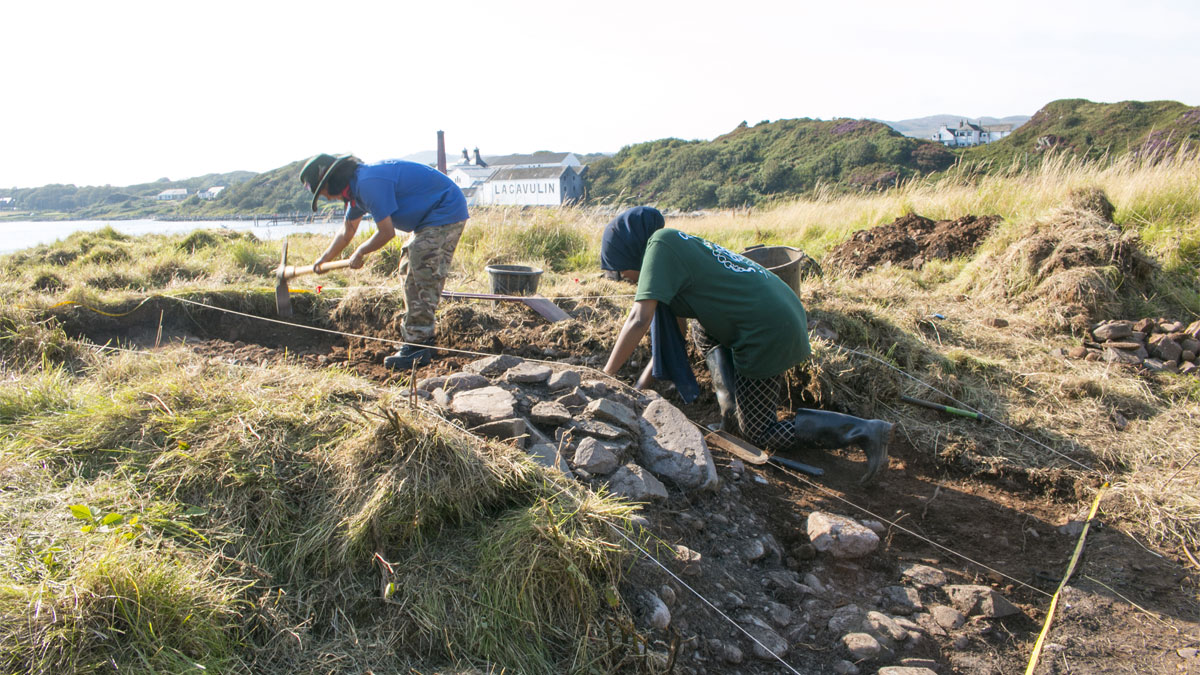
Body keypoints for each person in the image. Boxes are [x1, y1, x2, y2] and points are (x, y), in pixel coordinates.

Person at [599, 206, 892, 484]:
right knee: (703, 331)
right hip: (770, 310)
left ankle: (864, 430)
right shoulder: (670, 244)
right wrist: (637, 390)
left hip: (768, 329)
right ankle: (731, 421)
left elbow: (639, 319)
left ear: (631, 253)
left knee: (759, 433)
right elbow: (676, 337)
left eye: (624, 274)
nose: (627, 281)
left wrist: (605, 376)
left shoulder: (660, 249)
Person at [300, 154, 469, 370]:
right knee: (408, 268)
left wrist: (361, 252)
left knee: (421, 267)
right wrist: (323, 260)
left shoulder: (367, 183)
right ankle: (418, 338)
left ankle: (419, 346)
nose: (327, 198)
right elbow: (348, 230)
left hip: (444, 210)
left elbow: (386, 232)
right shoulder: (355, 192)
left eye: (323, 193)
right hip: (428, 219)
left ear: (332, 180)